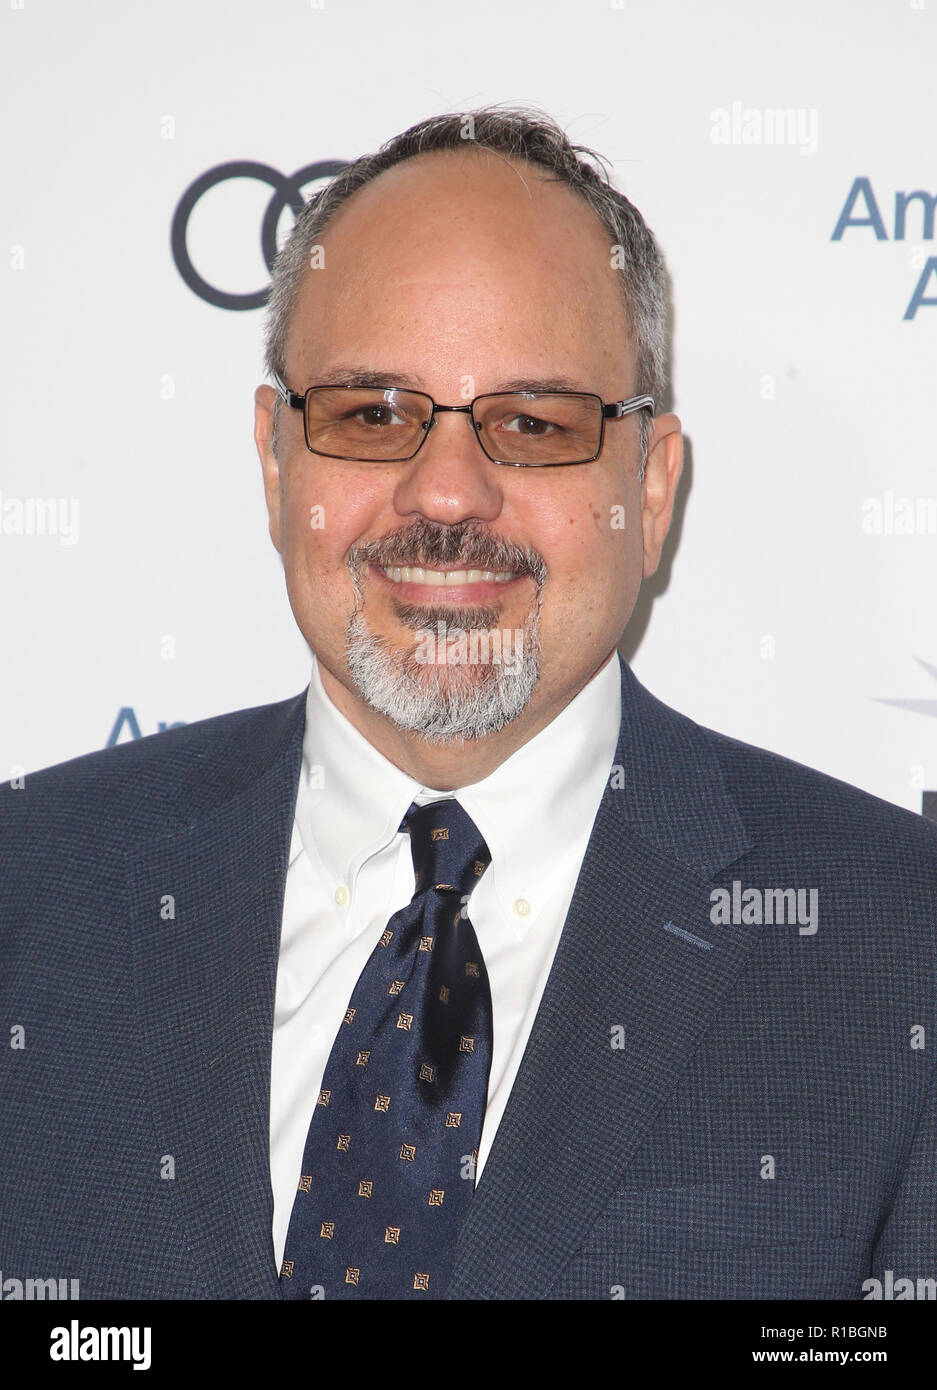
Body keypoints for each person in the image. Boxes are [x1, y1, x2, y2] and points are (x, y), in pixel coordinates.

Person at [1, 106, 935, 1302]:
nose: (445, 490)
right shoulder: (30, 888)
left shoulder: (898, 950)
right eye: (370, 415)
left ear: (649, 493)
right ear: (277, 462)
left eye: (534, 423)